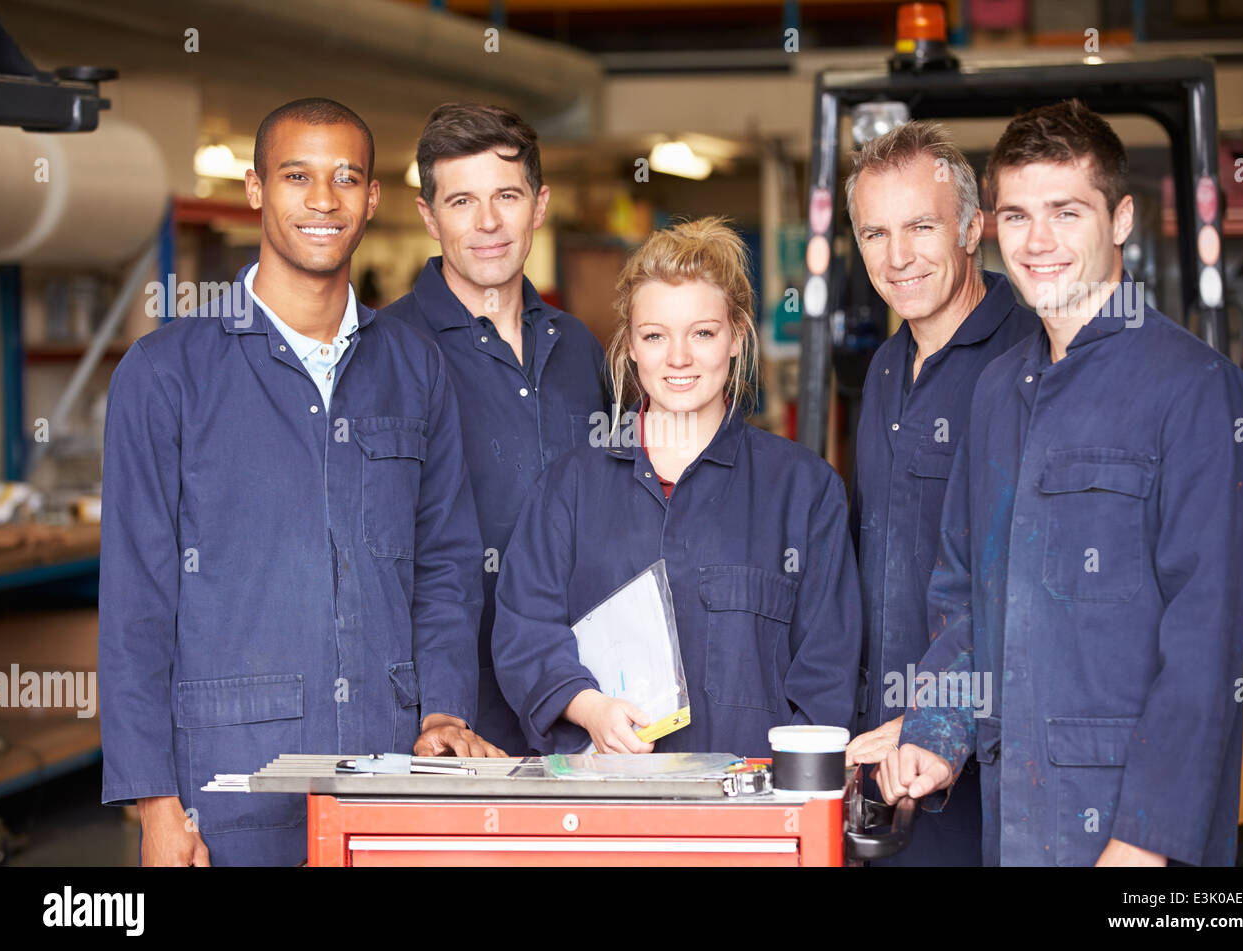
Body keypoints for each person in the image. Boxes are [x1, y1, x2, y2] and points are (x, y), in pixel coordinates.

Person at [100, 98, 501, 868]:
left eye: (347, 177)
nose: (324, 200)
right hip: (229, 789)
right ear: (255, 189)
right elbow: (135, 606)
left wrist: (445, 708)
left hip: (390, 778)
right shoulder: (166, 375)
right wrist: (155, 804)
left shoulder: (415, 370)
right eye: (297, 176)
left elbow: (447, 568)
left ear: (373, 199)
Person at [875, 100, 1243, 866]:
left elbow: (1204, 642)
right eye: (1017, 216)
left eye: (1066, 211)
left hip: (1129, 828)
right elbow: (962, 598)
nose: (1039, 242)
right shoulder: (996, 393)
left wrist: (1146, 840)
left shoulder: (1195, 391)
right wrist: (937, 734)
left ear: (1121, 218)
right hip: (1013, 814)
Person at [490, 217, 860, 756]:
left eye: (703, 333)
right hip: (605, 816)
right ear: (631, 348)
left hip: (748, 820)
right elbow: (525, 631)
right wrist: (587, 707)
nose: (679, 358)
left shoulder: (804, 492)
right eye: (655, 336)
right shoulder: (569, 488)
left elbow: (827, 673)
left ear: (736, 337)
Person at [381, 103, 607, 756]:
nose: (487, 223)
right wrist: (435, 710)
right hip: (444, 720)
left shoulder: (579, 348)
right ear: (429, 216)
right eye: (461, 201)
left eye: (506, 196)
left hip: (579, 704)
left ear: (538, 205)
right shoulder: (386, 351)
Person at [843, 121, 1037, 866]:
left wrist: (938, 719)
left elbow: (1019, 591)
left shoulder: (1027, 363)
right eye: (875, 233)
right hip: (884, 756)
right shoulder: (886, 370)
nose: (898, 257)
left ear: (971, 229)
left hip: (983, 761)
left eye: (921, 227)